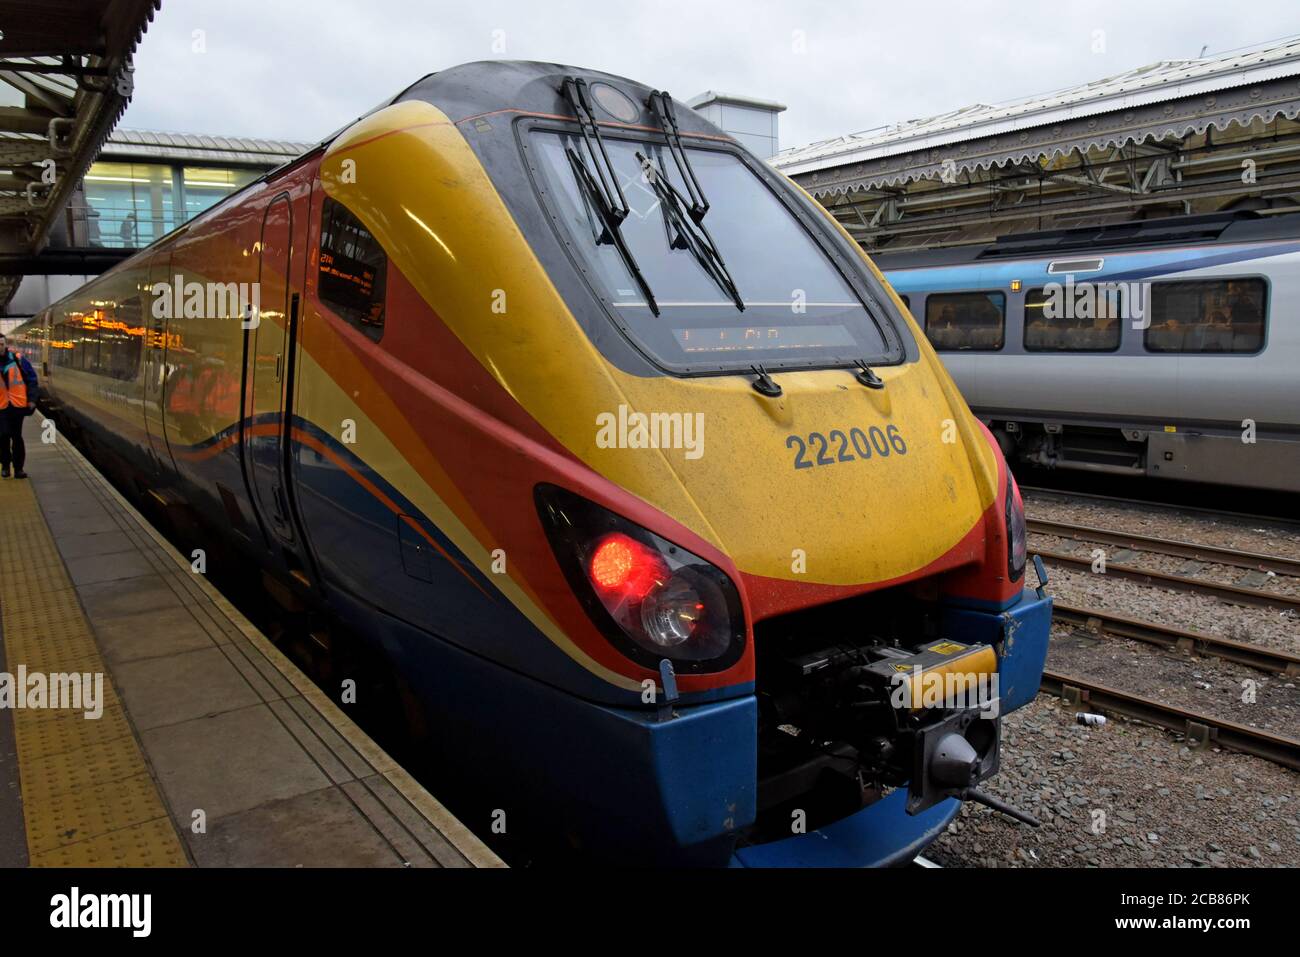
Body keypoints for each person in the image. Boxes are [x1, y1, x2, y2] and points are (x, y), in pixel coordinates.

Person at [0, 334, 39, 479]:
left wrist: (32, 399)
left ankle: (18, 469)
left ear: (6, 345)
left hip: (17, 405)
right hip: (1, 407)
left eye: (2, 344)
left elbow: (32, 380)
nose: (0, 347)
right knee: (3, 436)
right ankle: (5, 465)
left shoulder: (19, 360)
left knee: (16, 437)